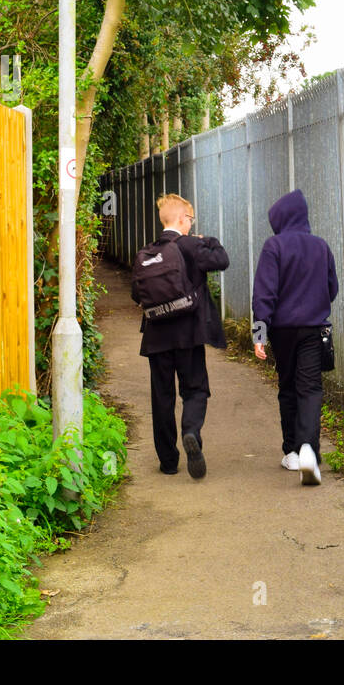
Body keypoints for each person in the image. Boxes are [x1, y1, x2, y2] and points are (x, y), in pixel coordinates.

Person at [132, 193, 229, 479]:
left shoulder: (147, 253)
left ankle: (168, 462)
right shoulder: (189, 245)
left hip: (155, 338)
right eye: (190, 219)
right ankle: (191, 432)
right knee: (195, 389)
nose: (190, 224)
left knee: (162, 398)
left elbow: (137, 294)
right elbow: (221, 260)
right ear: (182, 219)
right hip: (188, 334)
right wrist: (207, 239)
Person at [251, 189, 338, 485]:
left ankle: (291, 452)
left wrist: (259, 333)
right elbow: (333, 289)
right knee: (311, 389)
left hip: (282, 331)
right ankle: (309, 451)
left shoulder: (274, 246)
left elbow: (264, 293)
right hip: (314, 329)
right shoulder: (321, 247)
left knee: (288, 387)